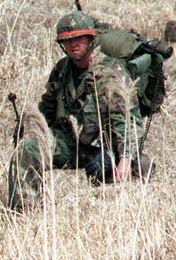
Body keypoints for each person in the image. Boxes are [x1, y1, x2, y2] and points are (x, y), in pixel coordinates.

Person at [18, 10, 149, 191]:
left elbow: (125, 120)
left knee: (119, 180)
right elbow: (47, 108)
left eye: (79, 38)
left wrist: (125, 159)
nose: (73, 44)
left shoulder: (108, 70)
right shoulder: (62, 70)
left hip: (110, 147)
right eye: (67, 40)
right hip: (73, 143)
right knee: (29, 147)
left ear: (90, 40)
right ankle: (24, 208)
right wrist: (32, 131)